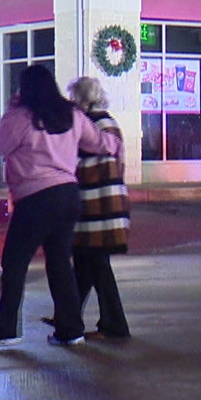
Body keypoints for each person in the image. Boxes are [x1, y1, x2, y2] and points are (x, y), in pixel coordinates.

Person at [0, 64, 118, 346]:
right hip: (68, 196)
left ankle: (6, 329)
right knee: (60, 263)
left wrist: (11, 111)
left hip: (36, 198)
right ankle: (71, 330)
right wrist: (118, 147)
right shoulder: (72, 114)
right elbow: (99, 142)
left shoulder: (23, 117)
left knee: (15, 263)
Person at [67, 76, 131, 340]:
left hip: (96, 209)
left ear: (83, 99)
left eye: (75, 98)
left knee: (94, 264)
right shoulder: (110, 123)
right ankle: (69, 318)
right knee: (86, 264)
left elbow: (80, 167)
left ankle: (114, 324)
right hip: (110, 204)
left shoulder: (88, 125)